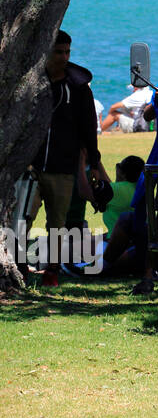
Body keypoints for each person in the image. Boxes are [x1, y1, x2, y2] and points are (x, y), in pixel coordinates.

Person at [28, 30, 110, 287]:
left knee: (57, 222)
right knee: (24, 216)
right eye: (59, 52)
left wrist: (94, 164)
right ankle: (19, 265)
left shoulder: (77, 88)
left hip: (62, 166)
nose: (64, 57)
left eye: (67, 52)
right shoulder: (33, 83)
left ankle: (52, 271)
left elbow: (88, 128)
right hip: (29, 166)